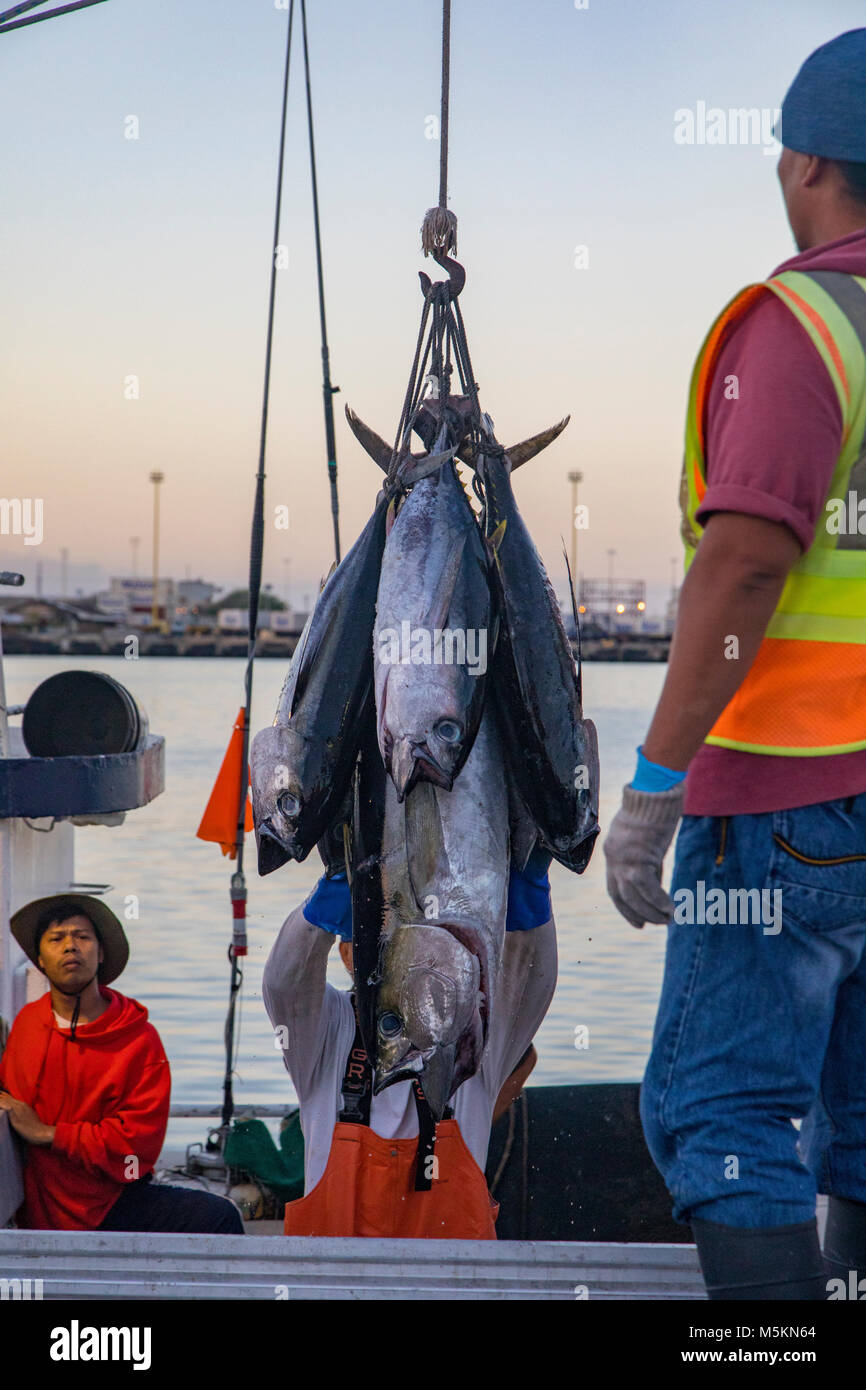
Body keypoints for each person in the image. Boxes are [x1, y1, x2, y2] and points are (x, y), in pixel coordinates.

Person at [604, 29, 866, 1301]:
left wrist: (654, 782)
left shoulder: (804, 322)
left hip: (788, 799)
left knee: (728, 1117)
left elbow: (744, 569)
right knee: (861, 1124)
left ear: (807, 157)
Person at [262, 851, 556, 1239]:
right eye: (383, 933)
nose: (407, 946)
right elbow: (285, 985)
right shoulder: (324, 1032)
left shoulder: (472, 1031)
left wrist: (530, 896)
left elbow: (530, 982)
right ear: (347, 953)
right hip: (330, 1283)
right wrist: (324, 905)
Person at [0, 894, 243, 1234]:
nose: (71, 946)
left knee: (222, 1217)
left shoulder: (139, 1039)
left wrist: (50, 1135)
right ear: (40, 959)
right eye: (56, 939)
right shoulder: (28, 1023)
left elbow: (136, 1149)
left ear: (101, 954)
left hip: (112, 1200)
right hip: (39, 1206)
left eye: (82, 937)